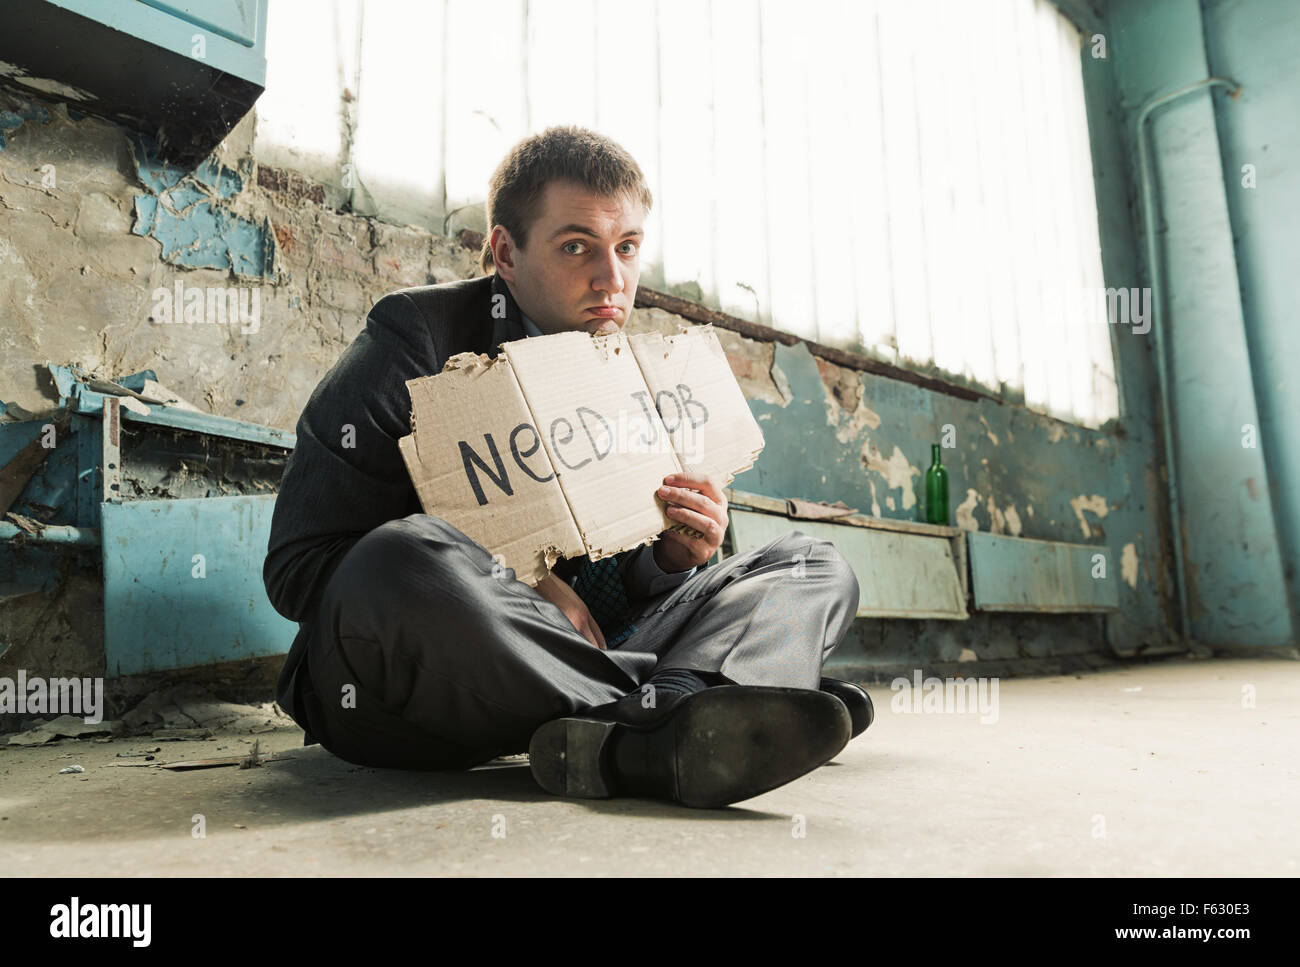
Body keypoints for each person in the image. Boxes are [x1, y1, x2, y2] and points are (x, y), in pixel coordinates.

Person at [263, 125, 872, 809]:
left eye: (629, 247)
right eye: (576, 245)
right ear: (505, 252)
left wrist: (674, 558)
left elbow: (627, 583)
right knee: (401, 558)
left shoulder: (635, 369)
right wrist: (514, 577)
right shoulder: (414, 339)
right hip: (426, 685)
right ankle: (695, 701)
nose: (612, 279)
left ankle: (646, 728)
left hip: (569, 674)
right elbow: (296, 569)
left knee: (814, 564)